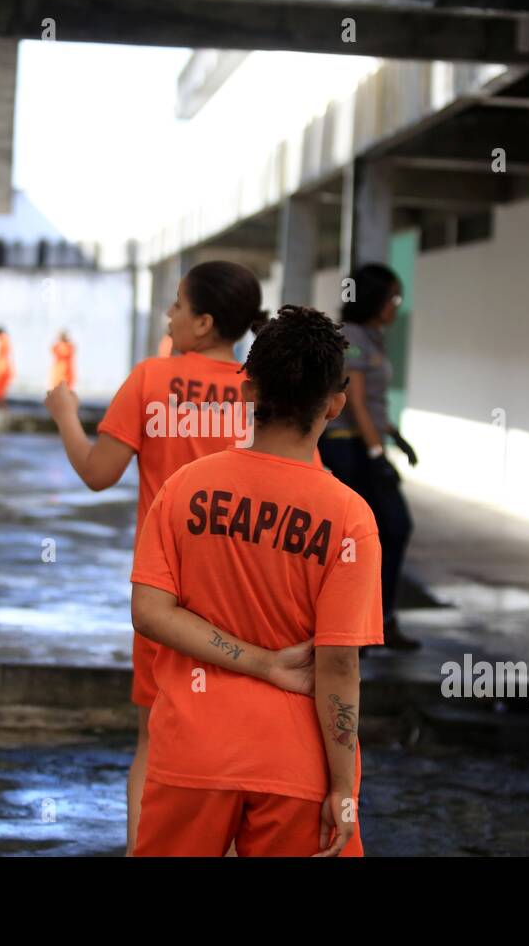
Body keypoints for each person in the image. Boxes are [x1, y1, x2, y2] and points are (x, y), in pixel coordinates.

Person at [130, 305, 384, 856]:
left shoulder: (184, 488)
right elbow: (338, 663)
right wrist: (343, 788)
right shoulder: (349, 517)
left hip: (191, 753)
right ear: (336, 405)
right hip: (296, 764)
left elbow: (150, 613)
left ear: (246, 392)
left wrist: (260, 661)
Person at [44, 260, 266, 854]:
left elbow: (97, 473)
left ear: (203, 322)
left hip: (166, 594)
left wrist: (66, 415)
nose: (168, 315)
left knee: (155, 738)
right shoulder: (260, 388)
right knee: (250, 734)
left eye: (176, 306)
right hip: (252, 589)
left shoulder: (150, 379)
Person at [318, 263, 418, 650]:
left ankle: (378, 621)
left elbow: (374, 404)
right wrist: (377, 455)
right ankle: (360, 627)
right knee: (382, 529)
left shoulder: (374, 338)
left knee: (389, 530)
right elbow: (356, 402)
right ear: (375, 300)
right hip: (348, 446)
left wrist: (395, 436)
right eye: (393, 297)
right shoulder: (353, 337)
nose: (397, 305)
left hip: (367, 442)